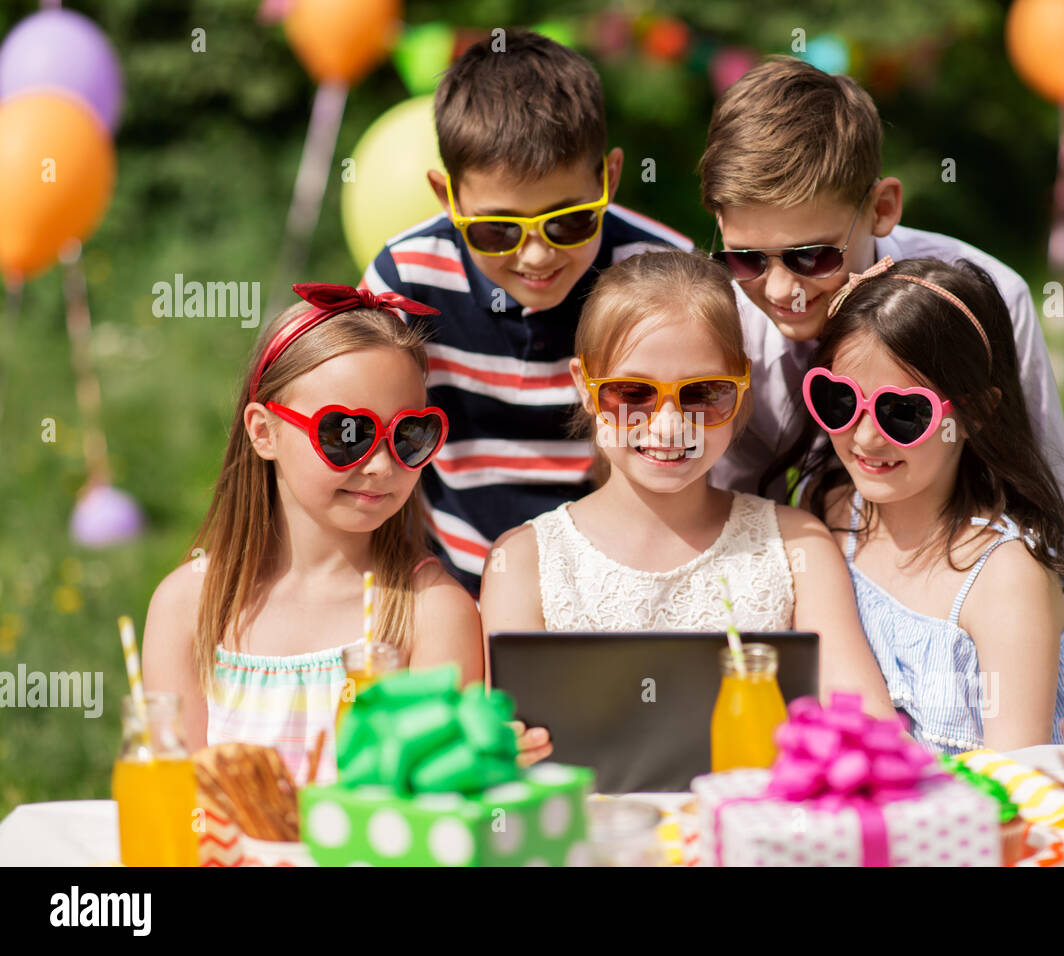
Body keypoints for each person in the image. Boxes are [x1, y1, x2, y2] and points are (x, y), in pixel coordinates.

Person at [480, 252, 895, 755]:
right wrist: (503, 748)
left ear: (741, 389)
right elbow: (501, 742)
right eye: (632, 393)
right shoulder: (523, 561)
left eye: (703, 393)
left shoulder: (796, 545)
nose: (670, 426)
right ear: (585, 389)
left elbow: (868, 728)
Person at [699, 56, 1064, 558]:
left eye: (811, 256)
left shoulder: (986, 300)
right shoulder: (723, 323)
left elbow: (1040, 509)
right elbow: (734, 517)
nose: (777, 291)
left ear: (882, 208)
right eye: (745, 259)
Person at [360, 29, 693, 596]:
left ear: (610, 179)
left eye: (568, 221)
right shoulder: (405, 279)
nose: (537, 255)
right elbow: (365, 443)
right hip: (450, 582)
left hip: (623, 581)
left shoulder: (663, 277)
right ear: (448, 197)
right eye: (498, 229)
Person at [142, 284, 482, 784]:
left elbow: (436, 802)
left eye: (410, 435)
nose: (382, 465)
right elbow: (177, 796)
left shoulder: (431, 613)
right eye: (348, 434)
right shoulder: (187, 606)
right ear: (263, 431)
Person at [788, 256, 1064, 753]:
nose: (865, 437)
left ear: (974, 413)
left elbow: (1019, 783)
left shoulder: (1005, 580)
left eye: (903, 413)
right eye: (840, 401)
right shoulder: (832, 507)